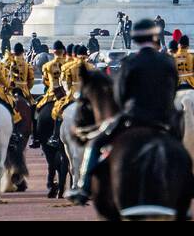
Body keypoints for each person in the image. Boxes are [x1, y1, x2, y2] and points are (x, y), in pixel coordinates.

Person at [70, 17, 177, 205]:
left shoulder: (131, 62)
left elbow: (120, 95)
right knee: (180, 149)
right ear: (155, 38)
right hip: (163, 118)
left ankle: (83, 187)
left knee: (95, 144)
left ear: (135, 40)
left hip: (133, 117)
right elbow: (173, 88)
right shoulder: (167, 61)